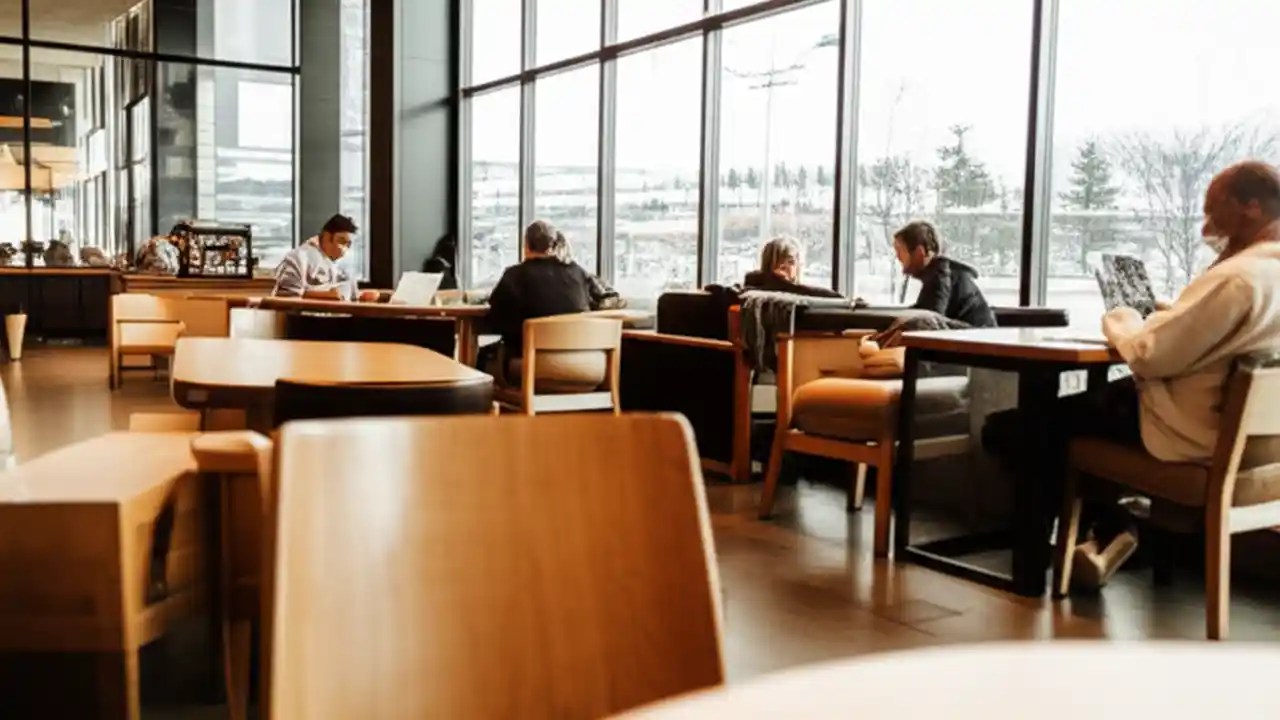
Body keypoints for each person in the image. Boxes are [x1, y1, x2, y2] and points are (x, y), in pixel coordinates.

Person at [990, 160, 1280, 589]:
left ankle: (1044, 568)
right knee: (1054, 428)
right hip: (1247, 442)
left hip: (1184, 428)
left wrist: (1122, 316)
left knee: (1016, 429)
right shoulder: (1264, 272)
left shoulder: (1239, 277)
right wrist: (1171, 314)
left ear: (1250, 208)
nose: (1206, 223)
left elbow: (1147, 354)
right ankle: (1109, 532)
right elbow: (1218, 336)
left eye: (1213, 208)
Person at [483, 221, 617, 369]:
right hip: (587, 368)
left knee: (484, 357)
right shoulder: (578, 273)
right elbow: (600, 298)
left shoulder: (514, 276)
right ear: (554, 245)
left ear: (526, 245)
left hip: (534, 367)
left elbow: (495, 319)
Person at [894, 221, 996, 327]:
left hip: (975, 339)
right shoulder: (940, 273)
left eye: (900, 250)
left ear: (920, 252)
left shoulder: (940, 275)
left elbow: (929, 319)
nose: (897, 257)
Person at [273, 213, 378, 302]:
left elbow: (349, 292)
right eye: (341, 241)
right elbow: (287, 296)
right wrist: (327, 295)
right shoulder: (299, 258)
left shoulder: (339, 265)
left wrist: (361, 296)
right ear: (327, 237)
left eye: (348, 244)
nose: (344, 248)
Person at [742, 236, 843, 298]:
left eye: (790, 262)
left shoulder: (807, 296)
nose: (784, 267)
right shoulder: (752, 293)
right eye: (778, 261)